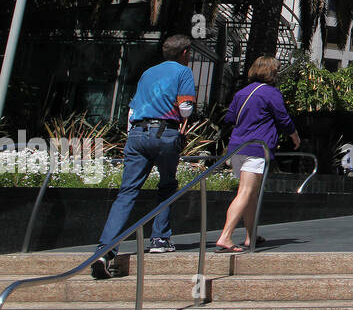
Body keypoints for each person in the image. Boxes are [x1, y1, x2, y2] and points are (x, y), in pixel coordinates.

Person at [92, 35, 197, 278]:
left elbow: (132, 108)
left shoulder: (148, 73)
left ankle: (105, 249)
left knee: (127, 192)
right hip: (165, 134)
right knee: (167, 185)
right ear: (185, 53)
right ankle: (160, 239)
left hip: (137, 133)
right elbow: (185, 108)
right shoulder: (183, 72)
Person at [215, 56, 299, 252]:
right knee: (245, 191)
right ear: (271, 72)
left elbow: (230, 117)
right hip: (256, 148)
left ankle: (250, 235)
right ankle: (225, 236)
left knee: (251, 193)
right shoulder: (271, 94)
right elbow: (283, 119)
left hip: (237, 147)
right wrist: (294, 136)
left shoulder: (242, 93)